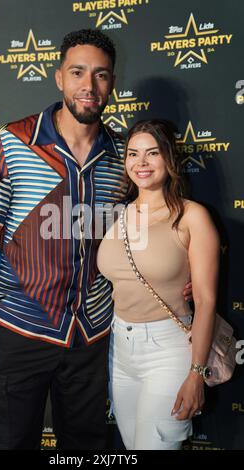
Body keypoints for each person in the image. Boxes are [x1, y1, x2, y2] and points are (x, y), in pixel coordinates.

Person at [0, 30, 192, 450]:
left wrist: (182, 277)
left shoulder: (124, 156)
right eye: (78, 72)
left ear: (112, 84)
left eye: (101, 75)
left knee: (84, 450)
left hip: (93, 335)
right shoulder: (12, 142)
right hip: (17, 329)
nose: (89, 85)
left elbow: (155, 222)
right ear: (59, 77)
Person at [97, 119, 220, 450]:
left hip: (168, 352)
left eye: (152, 153)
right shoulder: (114, 215)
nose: (141, 163)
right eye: (133, 154)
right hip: (118, 350)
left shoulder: (192, 216)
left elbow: (206, 301)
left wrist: (196, 373)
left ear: (169, 158)